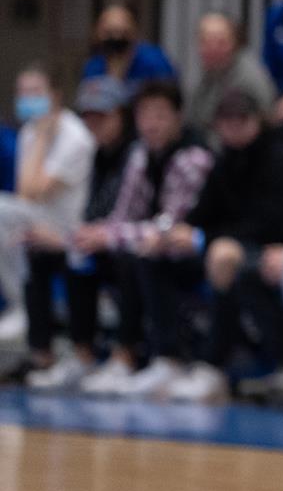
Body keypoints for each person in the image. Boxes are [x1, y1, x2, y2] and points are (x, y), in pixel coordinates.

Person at [150, 87, 283, 402]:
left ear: (257, 120)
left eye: (241, 121)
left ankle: (214, 364)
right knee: (155, 256)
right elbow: (204, 211)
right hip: (229, 242)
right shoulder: (225, 160)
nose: (233, 129)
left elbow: (274, 222)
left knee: (224, 258)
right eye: (226, 122)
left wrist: (205, 238)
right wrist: (178, 232)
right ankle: (165, 358)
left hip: (278, 246)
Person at [72, 81, 216, 398]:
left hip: (195, 246)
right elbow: (125, 213)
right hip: (154, 240)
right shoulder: (140, 153)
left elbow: (172, 224)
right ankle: (85, 355)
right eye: (144, 116)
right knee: (81, 251)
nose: (151, 124)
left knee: (143, 253)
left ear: (178, 117)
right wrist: (99, 234)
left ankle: (162, 357)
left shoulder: (193, 158)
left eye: (160, 115)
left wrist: (111, 235)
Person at [21, 79, 130, 390]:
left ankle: (123, 355)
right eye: (89, 116)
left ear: (121, 115)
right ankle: (54, 355)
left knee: (81, 255)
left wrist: (71, 238)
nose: (94, 124)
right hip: (89, 237)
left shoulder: (131, 154)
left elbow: (123, 214)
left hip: (124, 241)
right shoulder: (96, 154)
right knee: (40, 252)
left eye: (102, 116)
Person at [0, 70, 95, 345]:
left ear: (54, 95)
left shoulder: (75, 135)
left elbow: (35, 191)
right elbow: (24, 191)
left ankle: (22, 305)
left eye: (35, 91)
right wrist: (39, 135)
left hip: (70, 225)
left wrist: (42, 139)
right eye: (23, 92)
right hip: (36, 218)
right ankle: (20, 305)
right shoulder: (28, 131)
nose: (28, 98)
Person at [183, 13, 276, 138]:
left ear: (235, 43)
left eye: (220, 42)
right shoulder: (211, 72)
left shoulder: (249, 78)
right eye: (205, 41)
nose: (212, 48)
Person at [80, 4, 175, 89]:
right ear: (97, 34)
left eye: (122, 32)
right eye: (109, 33)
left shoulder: (154, 61)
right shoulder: (93, 66)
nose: (116, 38)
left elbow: (169, 94)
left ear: (134, 32)